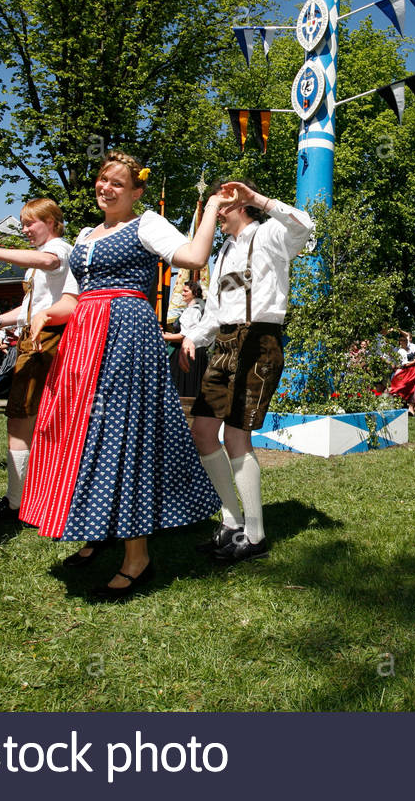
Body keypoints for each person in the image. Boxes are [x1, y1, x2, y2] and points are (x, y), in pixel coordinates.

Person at [22, 154, 224, 599]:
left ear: (135, 193)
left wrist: (208, 209)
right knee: (78, 432)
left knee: (121, 435)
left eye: (117, 183)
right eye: (102, 179)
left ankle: (138, 557)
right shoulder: (84, 235)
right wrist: (43, 313)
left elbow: (193, 255)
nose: (106, 187)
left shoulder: (147, 223)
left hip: (126, 336)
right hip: (83, 340)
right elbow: (74, 297)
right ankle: (97, 529)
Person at [181, 179, 315, 563]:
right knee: (203, 431)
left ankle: (254, 535)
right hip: (224, 341)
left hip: (259, 339)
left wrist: (257, 198)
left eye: (222, 206)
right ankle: (231, 521)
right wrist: (194, 336)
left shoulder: (271, 233)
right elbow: (217, 308)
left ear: (240, 205)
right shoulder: (222, 252)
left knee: (237, 435)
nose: (216, 214)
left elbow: (304, 225)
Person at [0, 199, 73, 523]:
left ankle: (18, 503)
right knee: (27, 419)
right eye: (22, 223)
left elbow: (50, 262)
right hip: (35, 339)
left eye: (30, 223)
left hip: (49, 341)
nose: (24, 230)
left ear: (51, 221)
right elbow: (29, 309)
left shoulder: (60, 249)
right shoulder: (35, 263)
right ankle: (32, 498)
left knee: (25, 418)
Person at [164, 280, 207, 401]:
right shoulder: (193, 309)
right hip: (192, 351)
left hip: (187, 352)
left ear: (194, 293)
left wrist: (162, 337)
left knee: (183, 388)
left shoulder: (193, 310)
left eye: (185, 291)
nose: (183, 294)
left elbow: (184, 336)